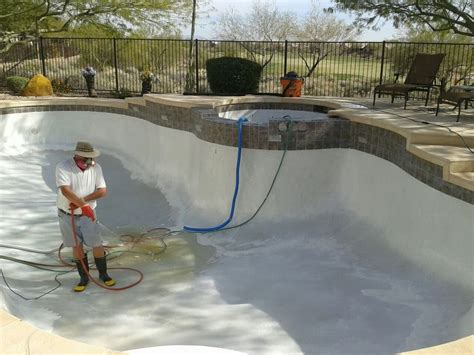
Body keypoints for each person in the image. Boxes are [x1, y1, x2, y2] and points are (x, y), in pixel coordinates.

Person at [56, 141, 115, 292]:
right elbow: (65, 191)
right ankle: (84, 277)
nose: (89, 163)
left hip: (88, 213)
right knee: (77, 246)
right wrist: (82, 205)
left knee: (96, 243)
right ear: (76, 156)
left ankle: (104, 274)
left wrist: (83, 203)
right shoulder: (63, 167)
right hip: (67, 214)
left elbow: (102, 191)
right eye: (85, 159)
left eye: (91, 159)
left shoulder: (96, 167)